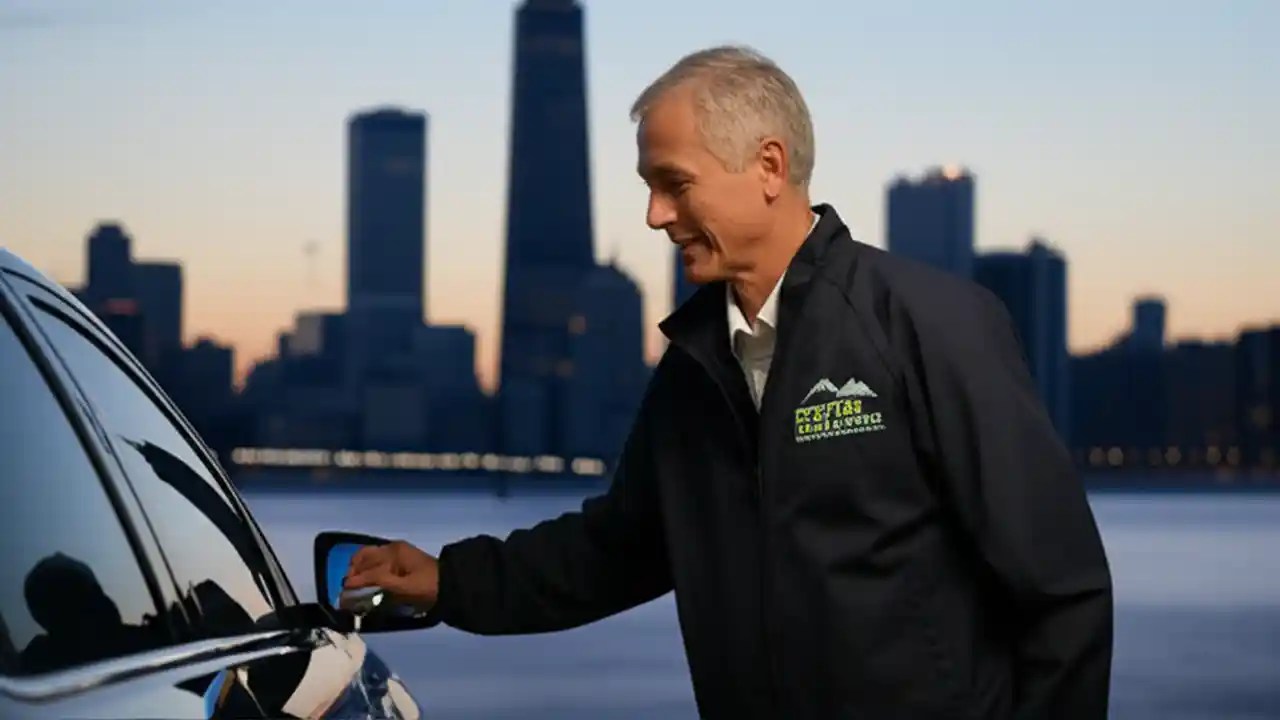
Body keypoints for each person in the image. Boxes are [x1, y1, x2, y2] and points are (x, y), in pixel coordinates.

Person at [344, 45, 1114, 718]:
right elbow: (619, 547)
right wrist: (450, 582)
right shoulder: (694, 365)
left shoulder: (929, 324)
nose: (655, 214)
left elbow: (1062, 594)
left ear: (769, 167)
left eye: (675, 184)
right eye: (650, 186)